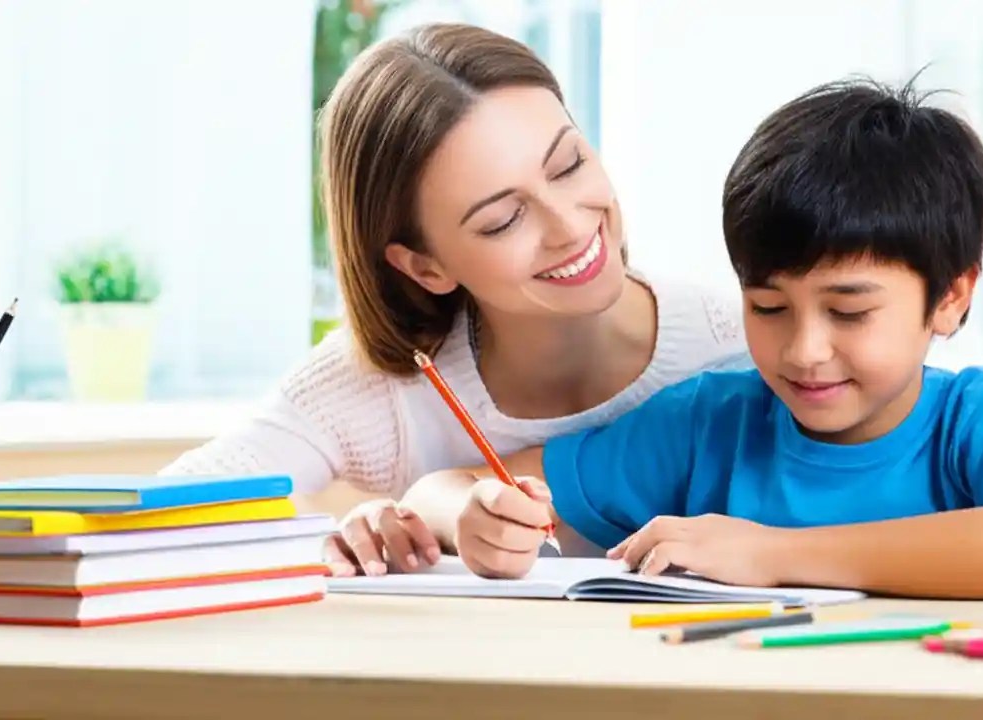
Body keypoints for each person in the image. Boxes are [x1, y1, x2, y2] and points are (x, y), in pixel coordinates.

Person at [399, 77, 983, 600]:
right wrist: (474, 516)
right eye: (768, 306)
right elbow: (441, 490)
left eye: (848, 313)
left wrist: (772, 554)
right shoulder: (710, 424)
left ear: (950, 297)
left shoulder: (976, 418)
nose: (803, 350)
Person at [161, 23, 749, 577]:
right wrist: (329, 543)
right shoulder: (382, 385)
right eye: (502, 219)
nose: (569, 225)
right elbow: (166, 514)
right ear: (426, 266)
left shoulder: (744, 341)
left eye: (569, 164)